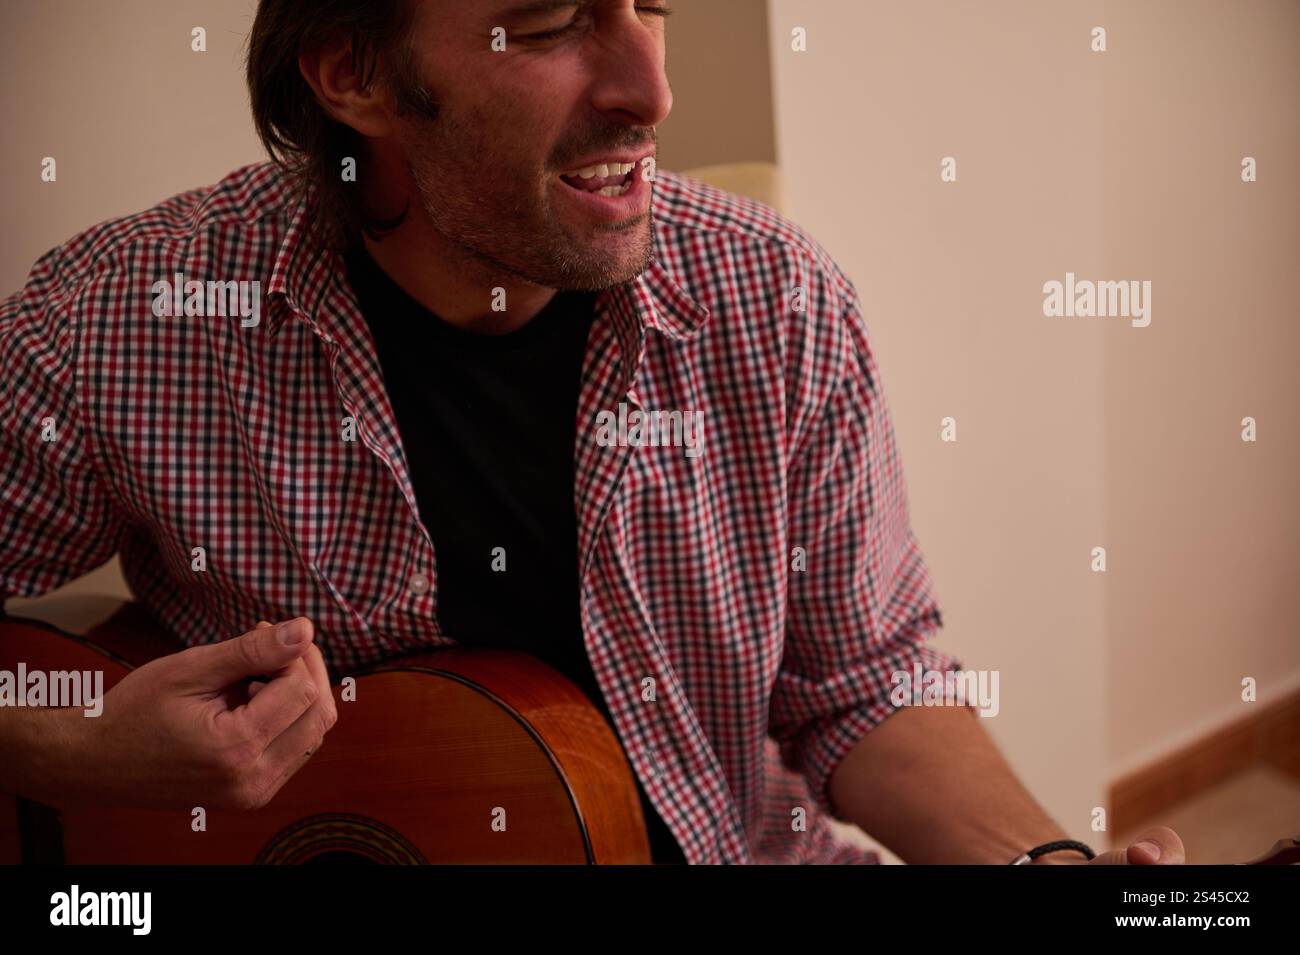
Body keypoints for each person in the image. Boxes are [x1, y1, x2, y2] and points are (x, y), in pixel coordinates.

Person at [0, 0, 1182, 865]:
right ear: (354, 73)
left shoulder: (774, 301)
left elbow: (864, 683)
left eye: (649, 5)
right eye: (556, 21)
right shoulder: (123, 318)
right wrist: (63, 750)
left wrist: (1044, 864)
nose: (653, 91)